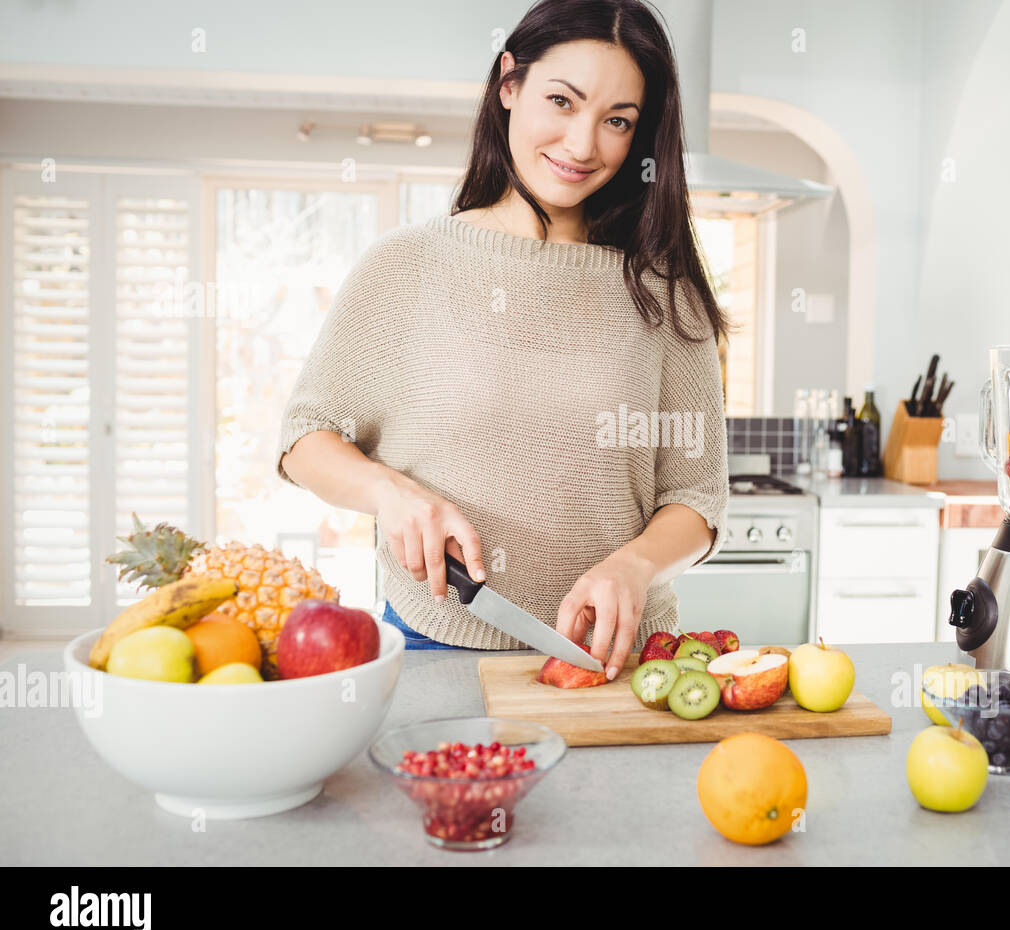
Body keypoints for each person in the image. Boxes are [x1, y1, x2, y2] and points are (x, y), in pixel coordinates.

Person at [276, 0, 730, 680]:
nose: (583, 145)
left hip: (621, 659)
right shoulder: (407, 265)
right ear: (508, 85)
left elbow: (698, 499)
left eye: (616, 122)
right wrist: (390, 492)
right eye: (561, 101)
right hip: (436, 643)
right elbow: (305, 437)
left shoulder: (664, 293)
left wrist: (635, 565)